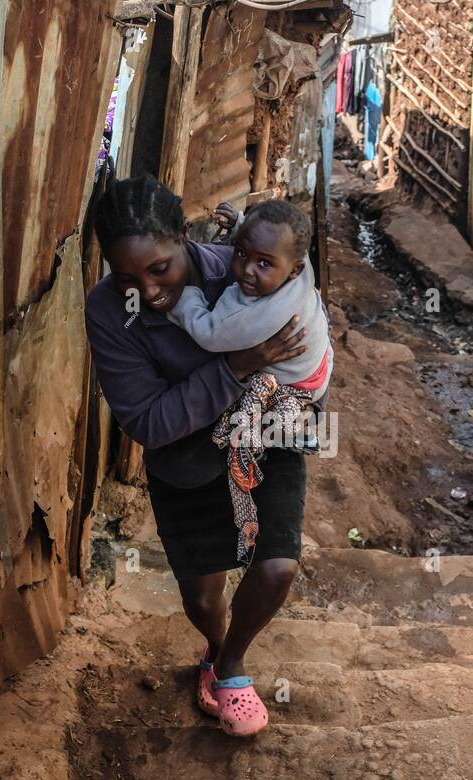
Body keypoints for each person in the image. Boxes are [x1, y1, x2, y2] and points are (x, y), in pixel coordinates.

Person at [84, 175, 312, 737]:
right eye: (126, 276)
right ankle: (214, 645)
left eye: (160, 269)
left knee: (277, 567)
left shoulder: (240, 272)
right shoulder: (109, 313)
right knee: (204, 596)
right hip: (185, 460)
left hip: (263, 439)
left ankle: (231, 666)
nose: (149, 290)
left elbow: (304, 330)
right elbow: (148, 421)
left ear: (184, 236)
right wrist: (235, 368)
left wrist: (295, 394)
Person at [165, 199, 333, 562]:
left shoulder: (257, 315)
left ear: (293, 269)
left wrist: (186, 298)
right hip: (316, 364)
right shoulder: (300, 274)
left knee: (234, 411)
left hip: (292, 387)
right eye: (241, 252)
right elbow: (264, 246)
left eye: (264, 263)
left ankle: (286, 431)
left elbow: (208, 333)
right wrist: (242, 223)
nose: (246, 270)